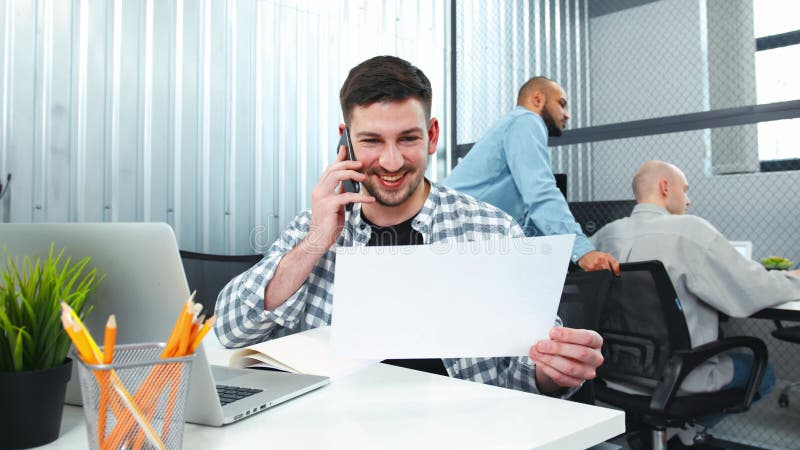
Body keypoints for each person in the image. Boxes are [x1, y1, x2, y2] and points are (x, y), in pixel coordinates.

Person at [214, 56, 603, 396]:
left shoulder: (492, 231)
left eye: (408, 138)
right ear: (345, 141)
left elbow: (523, 379)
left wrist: (553, 372)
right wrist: (316, 241)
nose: (392, 161)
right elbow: (231, 330)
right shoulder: (317, 224)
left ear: (432, 136)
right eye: (370, 141)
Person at [591, 160, 800, 443]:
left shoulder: (603, 236)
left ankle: (663, 434)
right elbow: (755, 289)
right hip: (679, 378)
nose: (689, 200)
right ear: (665, 187)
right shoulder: (690, 230)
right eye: (685, 190)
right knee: (764, 373)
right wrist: (793, 279)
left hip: (614, 374)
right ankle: (683, 434)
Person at [443, 76, 619, 275]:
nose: (567, 114)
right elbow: (541, 192)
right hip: (455, 242)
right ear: (537, 99)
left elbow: (530, 215)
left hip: (456, 242)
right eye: (561, 104)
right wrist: (583, 251)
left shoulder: (512, 126)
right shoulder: (526, 121)